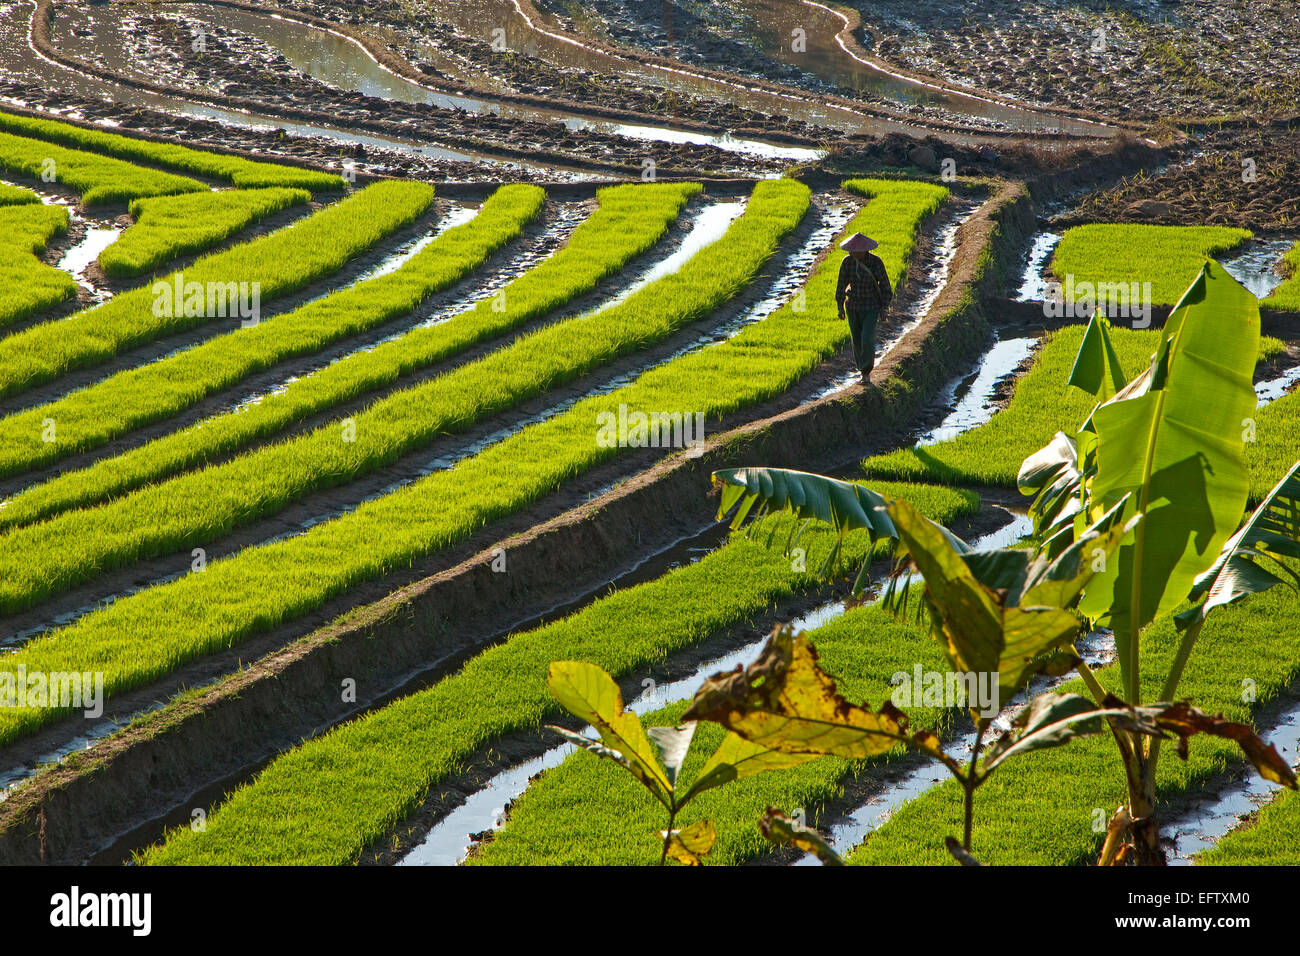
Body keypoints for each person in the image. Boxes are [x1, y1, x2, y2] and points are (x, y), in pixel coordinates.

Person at [835, 232, 892, 378]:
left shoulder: (875, 262)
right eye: (851, 250)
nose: (852, 252)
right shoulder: (847, 262)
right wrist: (840, 307)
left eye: (855, 250)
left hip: (871, 306)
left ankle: (866, 371)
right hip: (853, 306)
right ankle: (861, 368)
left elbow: (885, 286)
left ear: (864, 250)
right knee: (857, 339)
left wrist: (885, 308)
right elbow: (841, 285)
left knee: (867, 337)